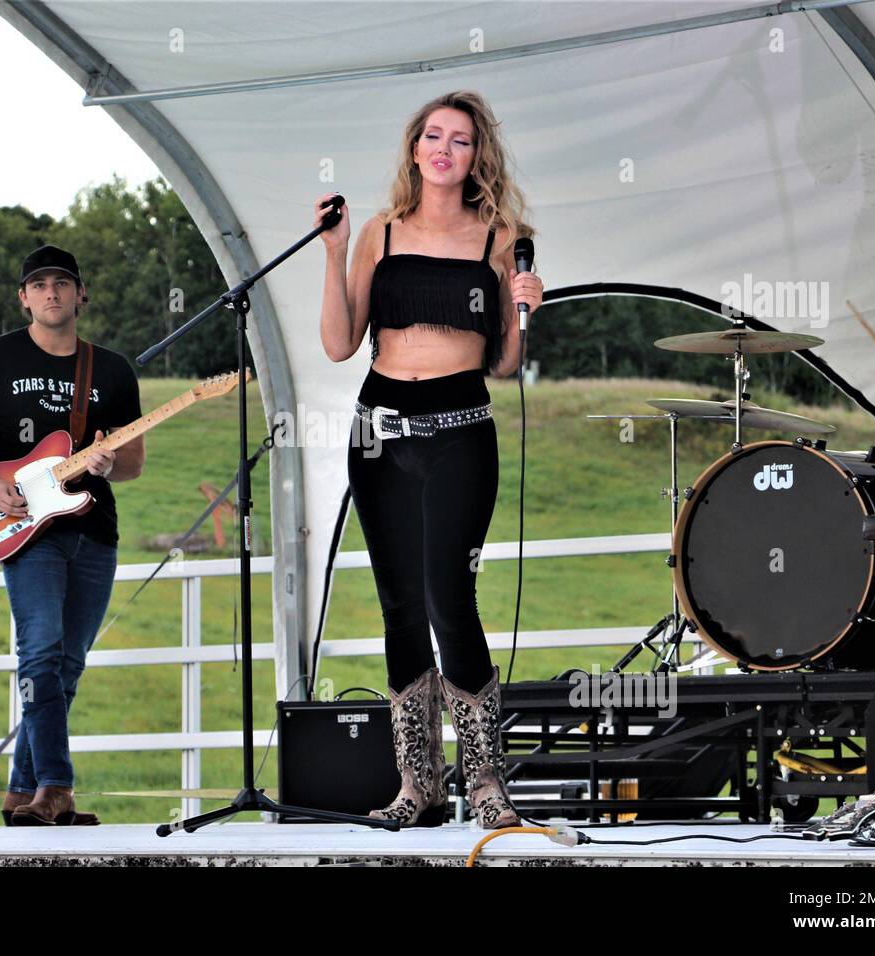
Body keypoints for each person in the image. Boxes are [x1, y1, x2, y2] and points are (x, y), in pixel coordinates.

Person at [316, 91, 543, 829]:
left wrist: (527, 308)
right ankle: (418, 786)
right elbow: (338, 343)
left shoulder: (500, 237)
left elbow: (506, 363)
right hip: (379, 431)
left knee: (452, 597)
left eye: (462, 140)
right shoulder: (378, 232)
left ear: (479, 156)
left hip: (459, 432)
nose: (446, 149)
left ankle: (485, 783)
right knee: (399, 609)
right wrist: (332, 252)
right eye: (434, 137)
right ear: (415, 148)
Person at [0, 244, 146, 826]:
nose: (51, 292)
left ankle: (20, 792)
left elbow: (133, 463)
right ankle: (57, 787)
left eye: (62, 283)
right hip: (27, 529)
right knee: (42, 650)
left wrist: (107, 466)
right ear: (24, 297)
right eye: (40, 284)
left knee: (67, 662)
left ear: (81, 295)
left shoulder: (113, 370)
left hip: (96, 530)